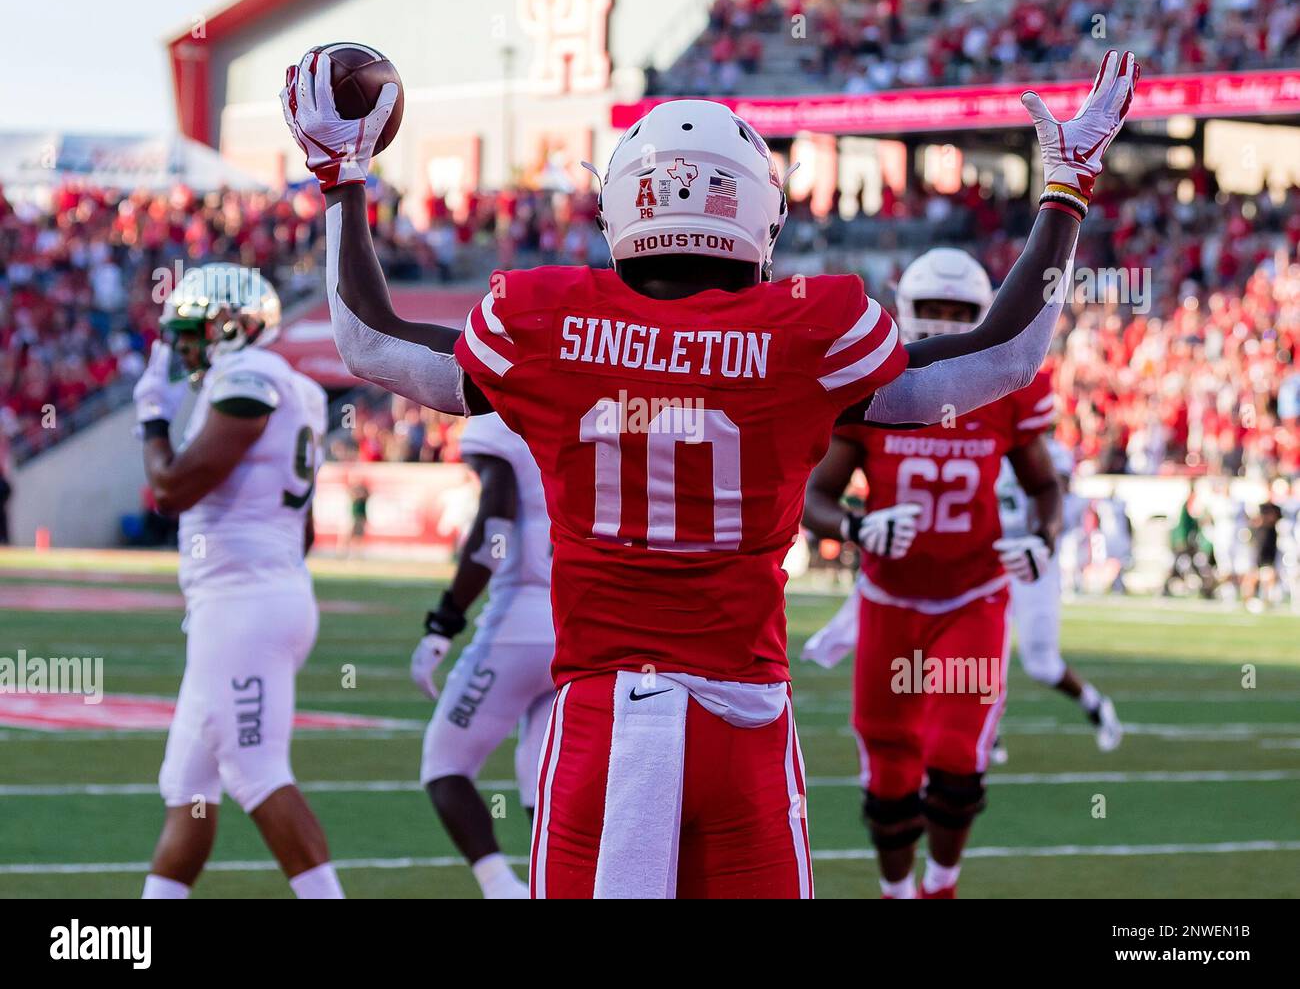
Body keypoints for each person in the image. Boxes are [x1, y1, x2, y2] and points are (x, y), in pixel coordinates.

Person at [281, 44, 1138, 898]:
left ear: (624, 208)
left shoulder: (545, 318)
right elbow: (1008, 355)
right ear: (758, 212)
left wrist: (341, 176)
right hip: (748, 729)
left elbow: (368, 339)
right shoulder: (809, 330)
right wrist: (1066, 188)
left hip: (603, 722)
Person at [801, 248, 1065, 899]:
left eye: (959, 313)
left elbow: (1044, 486)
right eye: (934, 311)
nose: (946, 324)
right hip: (889, 601)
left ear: (983, 316)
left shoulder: (1008, 384)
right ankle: (897, 894)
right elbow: (814, 498)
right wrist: (857, 528)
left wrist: (1042, 539)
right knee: (888, 776)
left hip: (971, 598)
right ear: (906, 310)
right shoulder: (877, 380)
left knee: (957, 763)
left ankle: (941, 887)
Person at [134, 264, 340, 900]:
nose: (184, 349)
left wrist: (152, 420)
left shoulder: (250, 378)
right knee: (188, 787)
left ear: (232, 326)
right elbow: (301, 528)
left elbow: (170, 489)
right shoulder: (293, 387)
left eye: (192, 332)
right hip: (256, 594)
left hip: (243, 606)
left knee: (255, 771)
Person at [411, 412, 555, 899]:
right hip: (579, 618)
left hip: (521, 624)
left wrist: (445, 621)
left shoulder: (498, 422)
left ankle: (500, 887)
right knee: (543, 778)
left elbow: (495, 522)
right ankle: (553, 884)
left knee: (444, 763)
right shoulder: (582, 399)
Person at [996, 438, 1121, 755]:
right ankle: (986, 730)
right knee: (980, 651)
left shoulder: (1052, 452)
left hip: (1035, 562)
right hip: (991, 560)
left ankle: (1095, 704)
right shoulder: (987, 437)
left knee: (1041, 664)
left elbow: (1057, 495)